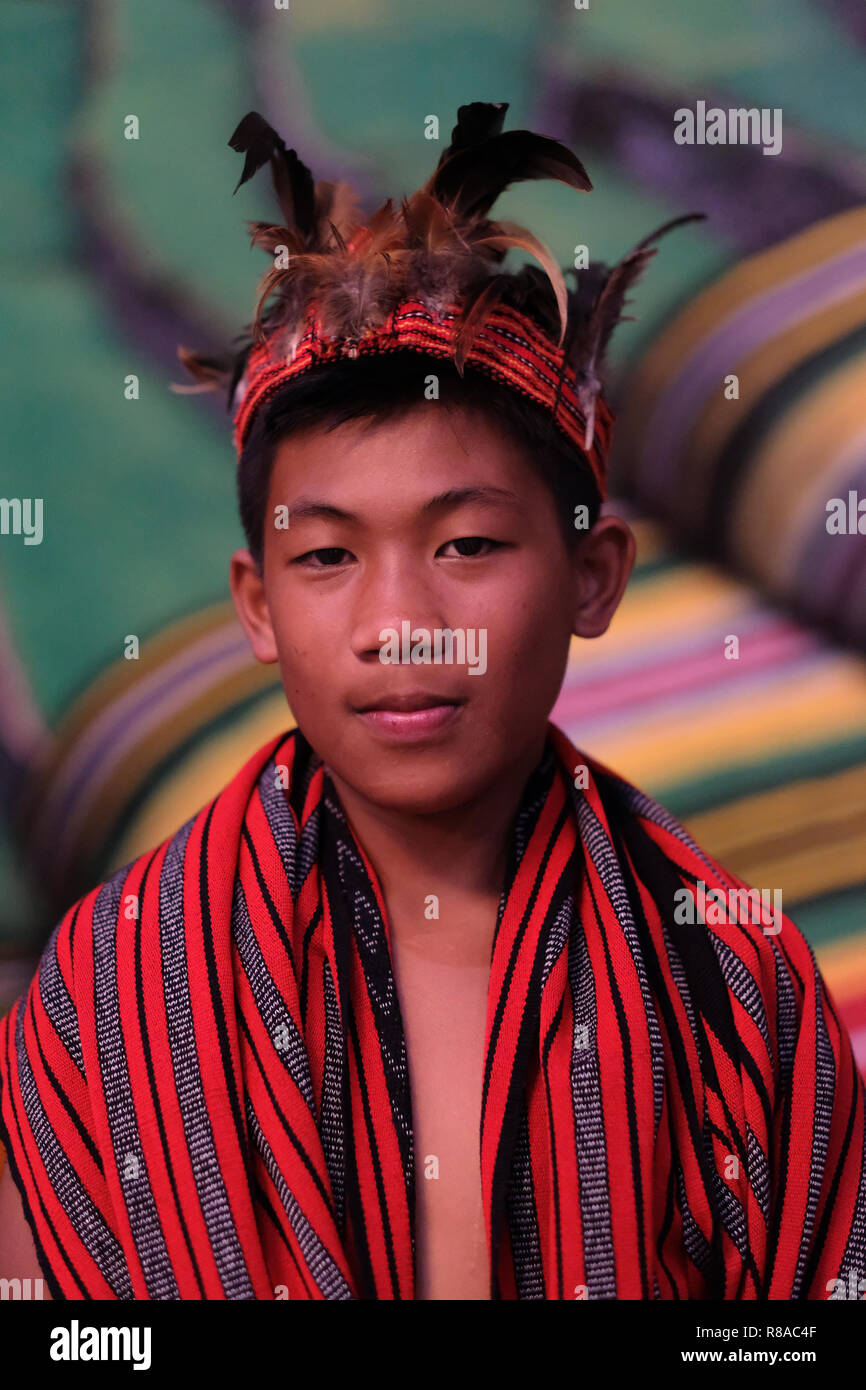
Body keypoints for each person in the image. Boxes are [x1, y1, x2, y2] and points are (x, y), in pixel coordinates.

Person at [1, 102, 864, 1302]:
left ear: (590, 577)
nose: (396, 620)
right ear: (255, 607)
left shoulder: (730, 987)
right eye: (325, 559)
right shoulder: (115, 990)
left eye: (464, 545)